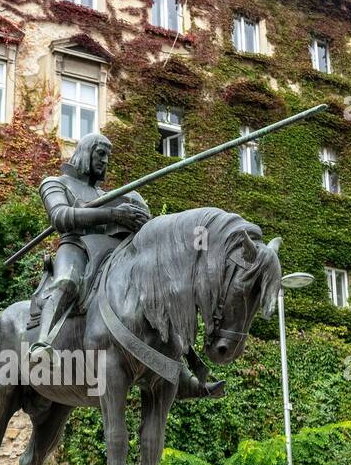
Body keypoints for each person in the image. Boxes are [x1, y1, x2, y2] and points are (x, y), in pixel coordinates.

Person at [30, 131, 222, 399]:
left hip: (113, 252)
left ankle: (184, 370)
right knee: (67, 281)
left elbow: (128, 226)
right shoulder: (55, 183)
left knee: (160, 293)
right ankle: (41, 344)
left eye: (108, 156)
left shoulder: (109, 194)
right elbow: (61, 217)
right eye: (100, 154)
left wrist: (138, 216)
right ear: (85, 152)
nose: (105, 161)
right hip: (77, 246)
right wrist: (112, 213)